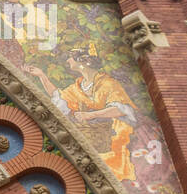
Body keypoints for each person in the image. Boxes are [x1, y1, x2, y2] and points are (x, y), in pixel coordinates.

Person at [25, 49, 138, 184]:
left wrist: (90, 115)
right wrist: (42, 75)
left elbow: (121, 109)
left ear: (83, 61)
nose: (67, 61)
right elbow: (59, 97)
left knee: (113, 166)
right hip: (91, 136)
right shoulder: (78, 86)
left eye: (71, 57)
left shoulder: (108, 83)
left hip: (114, 134)